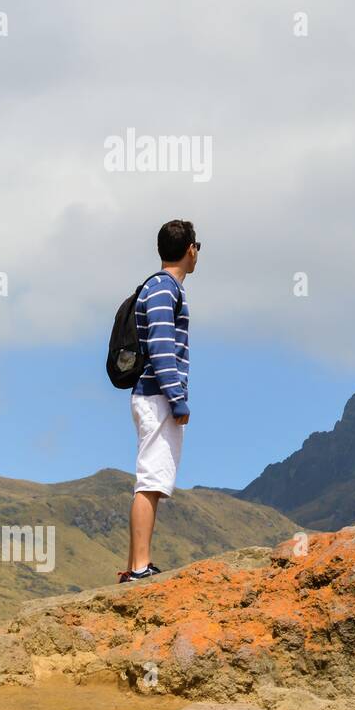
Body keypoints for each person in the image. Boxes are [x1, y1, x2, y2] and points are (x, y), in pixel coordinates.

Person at [122, 220, 199, 583]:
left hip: (151, 394)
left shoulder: (157, 288)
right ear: (190, 250)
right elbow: (161, 345)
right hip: (157, 396)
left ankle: (137, 563)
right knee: (150, 481)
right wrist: (177, 398)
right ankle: (139, 568)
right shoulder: (164, 289)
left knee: (150, 480)